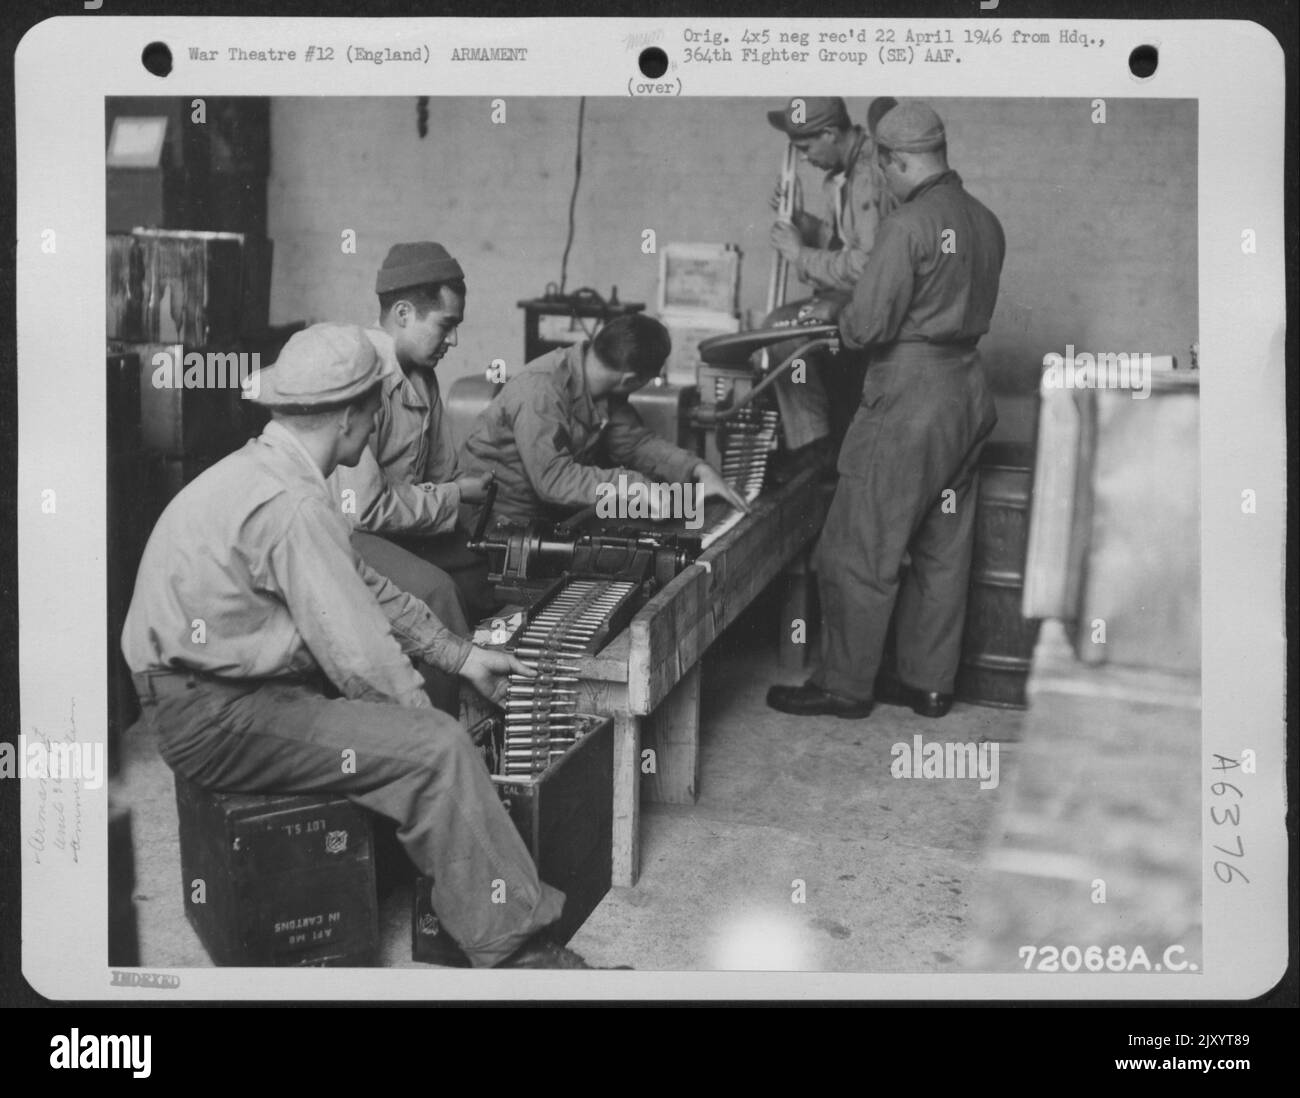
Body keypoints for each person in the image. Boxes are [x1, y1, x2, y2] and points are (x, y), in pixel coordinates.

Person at [122, 323, 597, 968]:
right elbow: (363, 658)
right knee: (436, 748)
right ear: (347, 415)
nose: (379, 420)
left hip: (213, 686)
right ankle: (519, 954)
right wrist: (435, 739)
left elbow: (362, 582)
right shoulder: (293, 504)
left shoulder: (270, 470)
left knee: (423, 731)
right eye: (376, 404)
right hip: (213, 714)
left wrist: (460, 657)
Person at [766, 101, 1005, 720]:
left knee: (856, 544)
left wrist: (835, 317)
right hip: (969, 393)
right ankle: (928, 685)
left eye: (887, 168)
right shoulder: (985, 221)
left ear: (897, 161)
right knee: (941, 546)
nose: (884, 182)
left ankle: (845, 687)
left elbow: (868, 324)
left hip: (909, 396)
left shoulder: (907, 225)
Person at [330, 242, 496, 640]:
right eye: (445, 324)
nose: (453, 340)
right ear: (404, 313)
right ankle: (444, 699)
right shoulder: (361, 375)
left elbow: (442, 472)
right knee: (436, 593)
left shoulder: (423, 378)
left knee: (485, 568)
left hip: (395, 528)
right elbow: (364, 510)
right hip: (344, 531)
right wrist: (456, 495)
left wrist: (472, 505)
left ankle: (492, 665)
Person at [458, 314, 748, 528]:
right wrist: (634, 485)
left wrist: (697, 469)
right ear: (631, 380)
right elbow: (553, 479)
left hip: (547, 517)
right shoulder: (541, 390)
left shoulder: (602, 384)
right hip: (496, 522)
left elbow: (635, 443)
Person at [762, 95, 897, 478]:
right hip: (851, 298)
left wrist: (800, 255)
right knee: (778, 328)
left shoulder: (868, 177)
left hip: (873, 306)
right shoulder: (841, 176)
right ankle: (813, 446)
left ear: (829, 133)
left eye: (806, 148)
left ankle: (814, 449)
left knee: (781, 330)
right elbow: (842, 243)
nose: (803, 158)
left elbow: (867, 267)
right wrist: (799, 222)